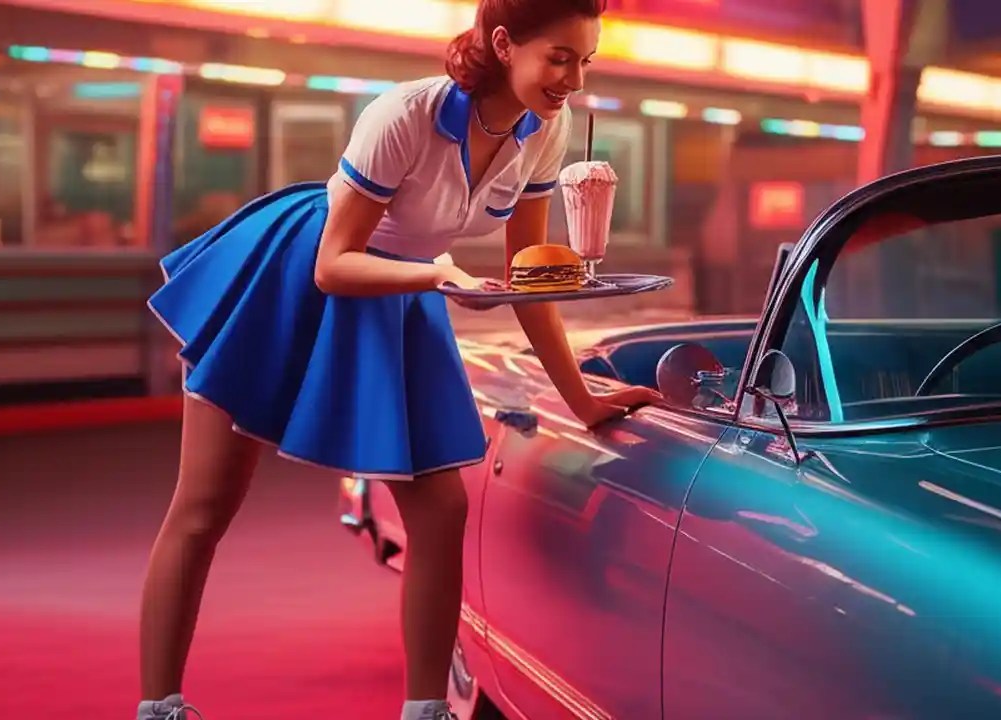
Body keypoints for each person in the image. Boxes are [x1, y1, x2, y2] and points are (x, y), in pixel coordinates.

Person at [136, 1, 660, 718]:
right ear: (504, 45)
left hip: (408, 283)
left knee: (442, 509)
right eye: (560, 57)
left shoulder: (545, 128)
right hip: (291, 276)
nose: (573, 77)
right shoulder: (403, 115)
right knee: (203, 506)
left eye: (586, 60)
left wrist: (584, 400)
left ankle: (425, 711)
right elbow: (333, 264)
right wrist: (438, 277)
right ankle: (160, 706)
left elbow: (530, 273)